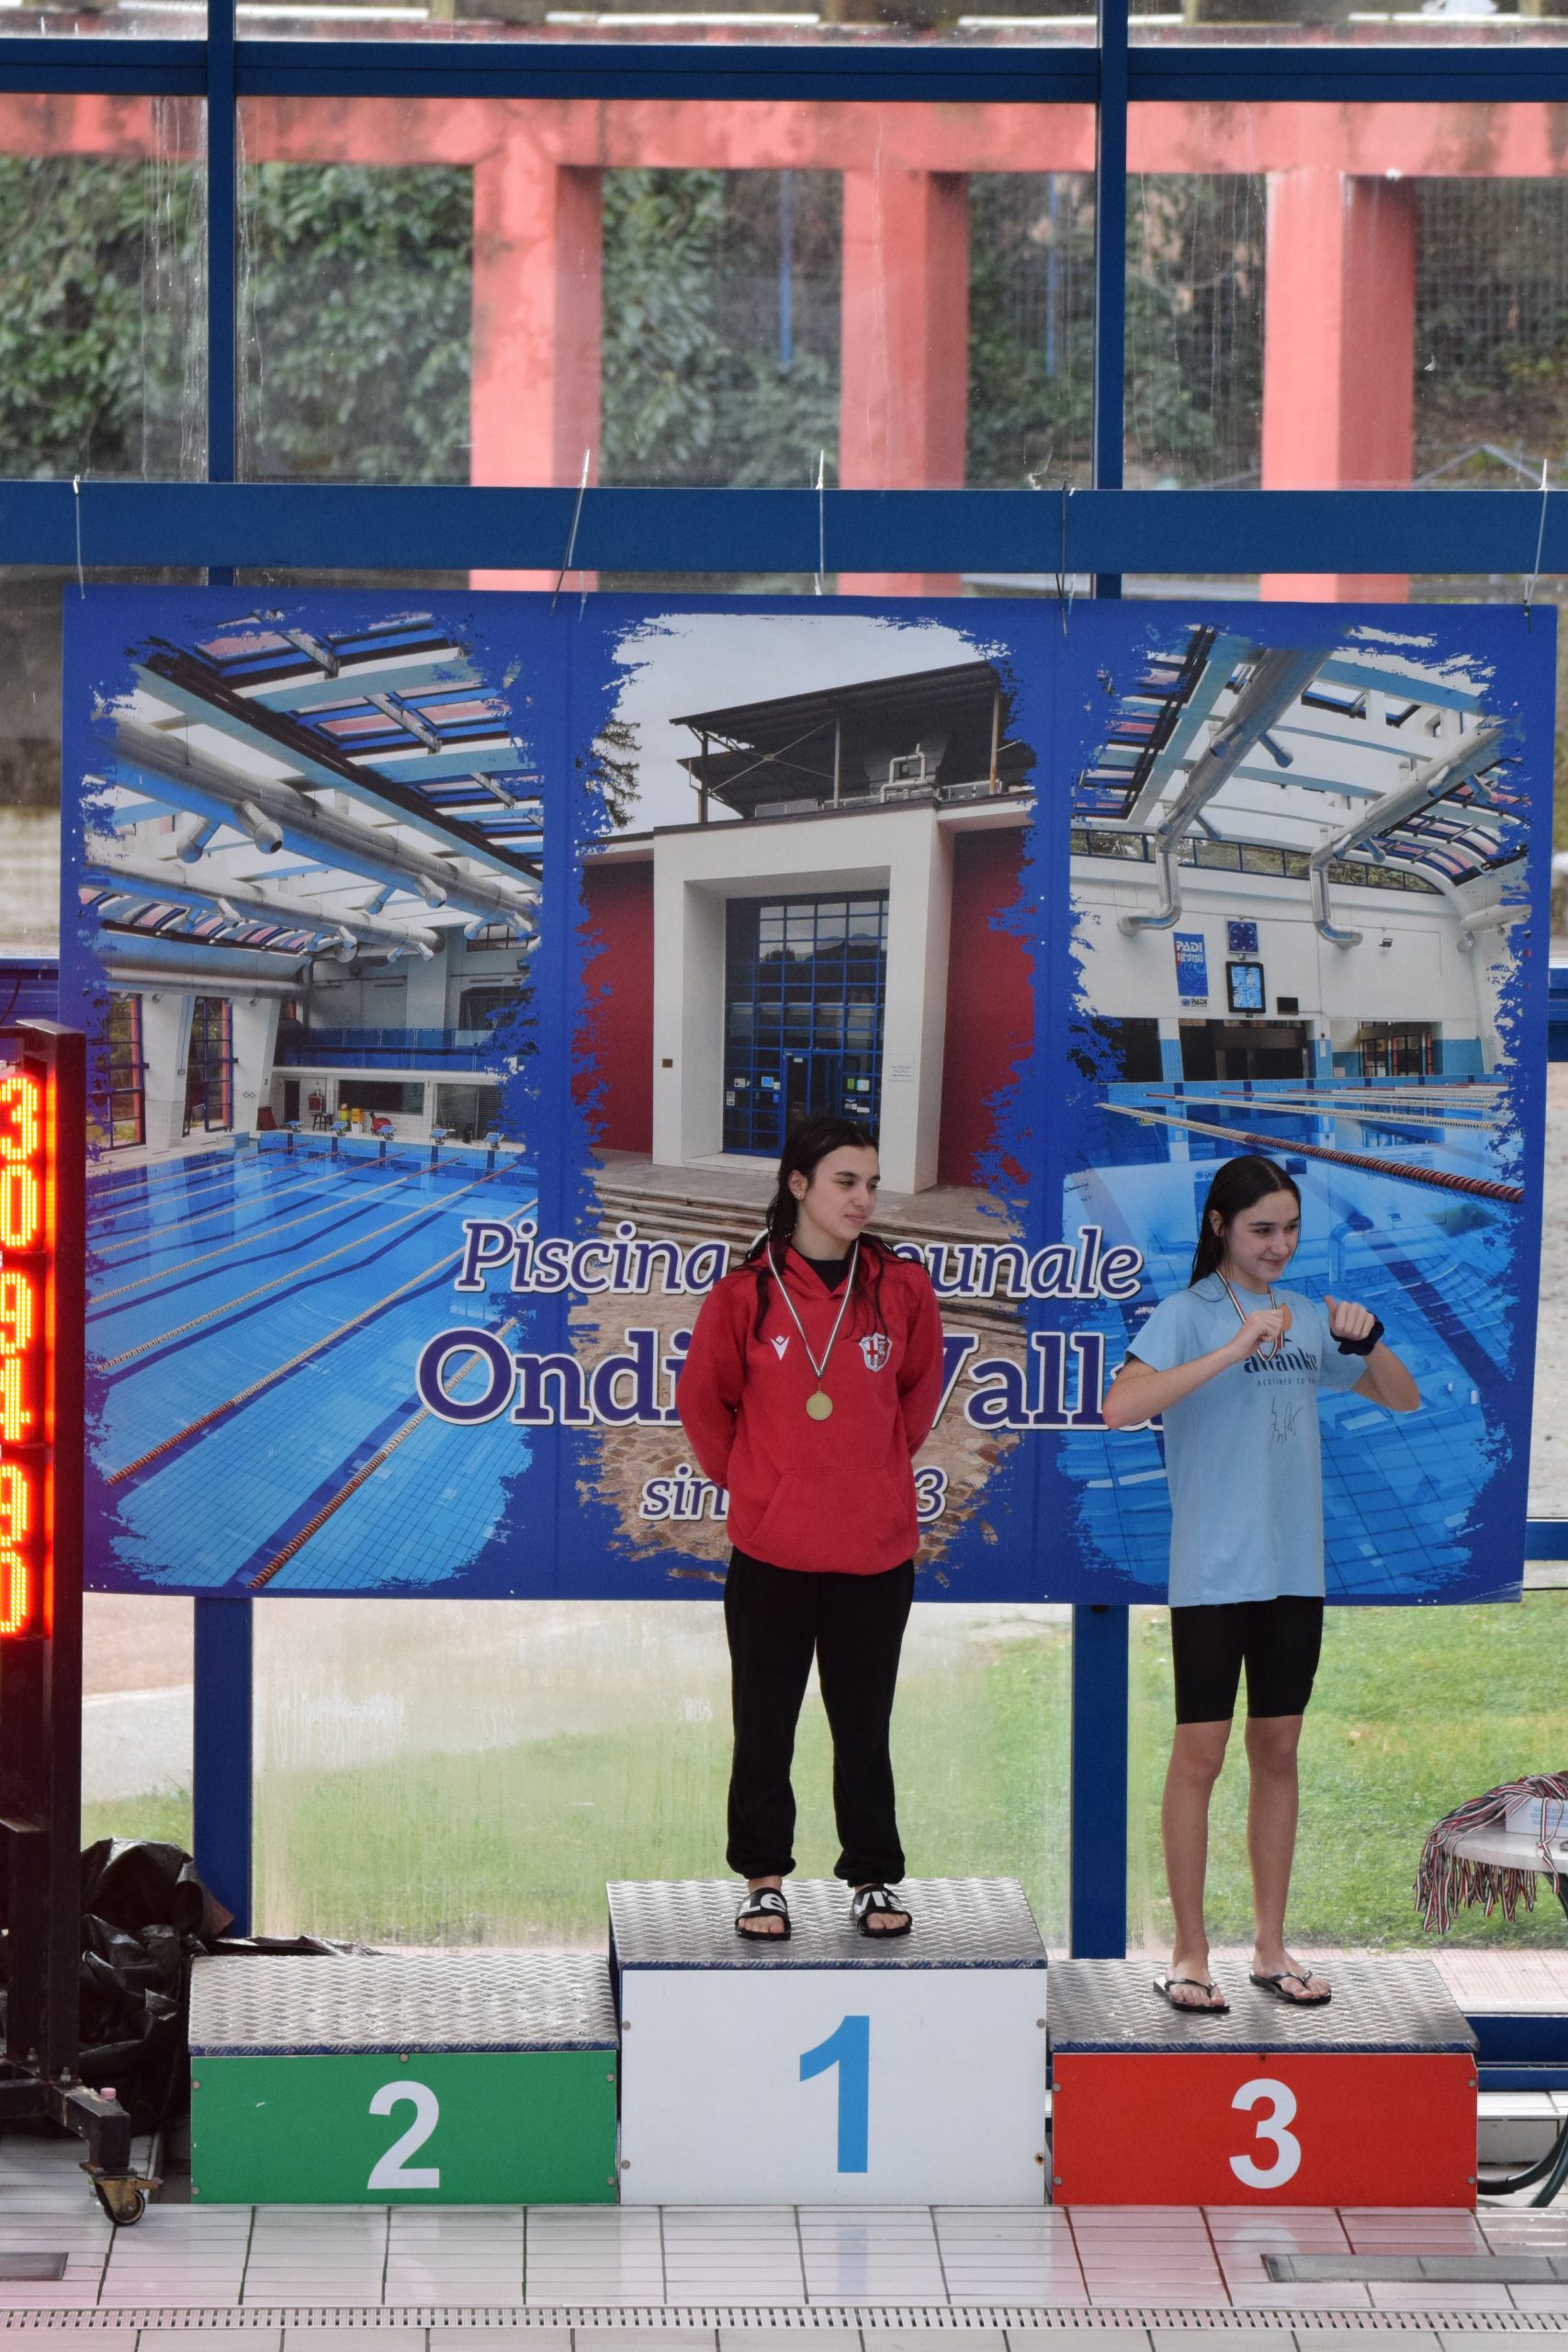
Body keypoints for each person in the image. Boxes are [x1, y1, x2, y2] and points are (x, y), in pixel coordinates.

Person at [1101, 1154, 1420, 2014]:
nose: (1277, 1245)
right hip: (1211, 1572)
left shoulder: (1312, 1315)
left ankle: (1270, 1949)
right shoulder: (1185, 1314)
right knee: (1199, 1758)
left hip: (1291, 1573)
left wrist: (1369, 1339)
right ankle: (1190, 1950)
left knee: (1276, 1752)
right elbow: (1120, 1407)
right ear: (1219, 1228)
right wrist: (1234, 1347)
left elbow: (1403, 1399)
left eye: (1288, 1229)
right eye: (1260, 1230)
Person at [678, 1115, 945, 1941]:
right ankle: (762, 1877)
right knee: (764, 1721)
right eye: (845, 1182)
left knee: (864, 1724)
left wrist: (863, 1478)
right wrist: (763, 1487)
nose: (864, 1198)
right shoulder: (742, 1296)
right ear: (797, 1184)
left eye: (870, 1183)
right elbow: (703, 1405)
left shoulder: (901, 1288)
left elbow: (915, 1398)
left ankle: (871, 1874)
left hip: (873, 1550)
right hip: (772, 1552)